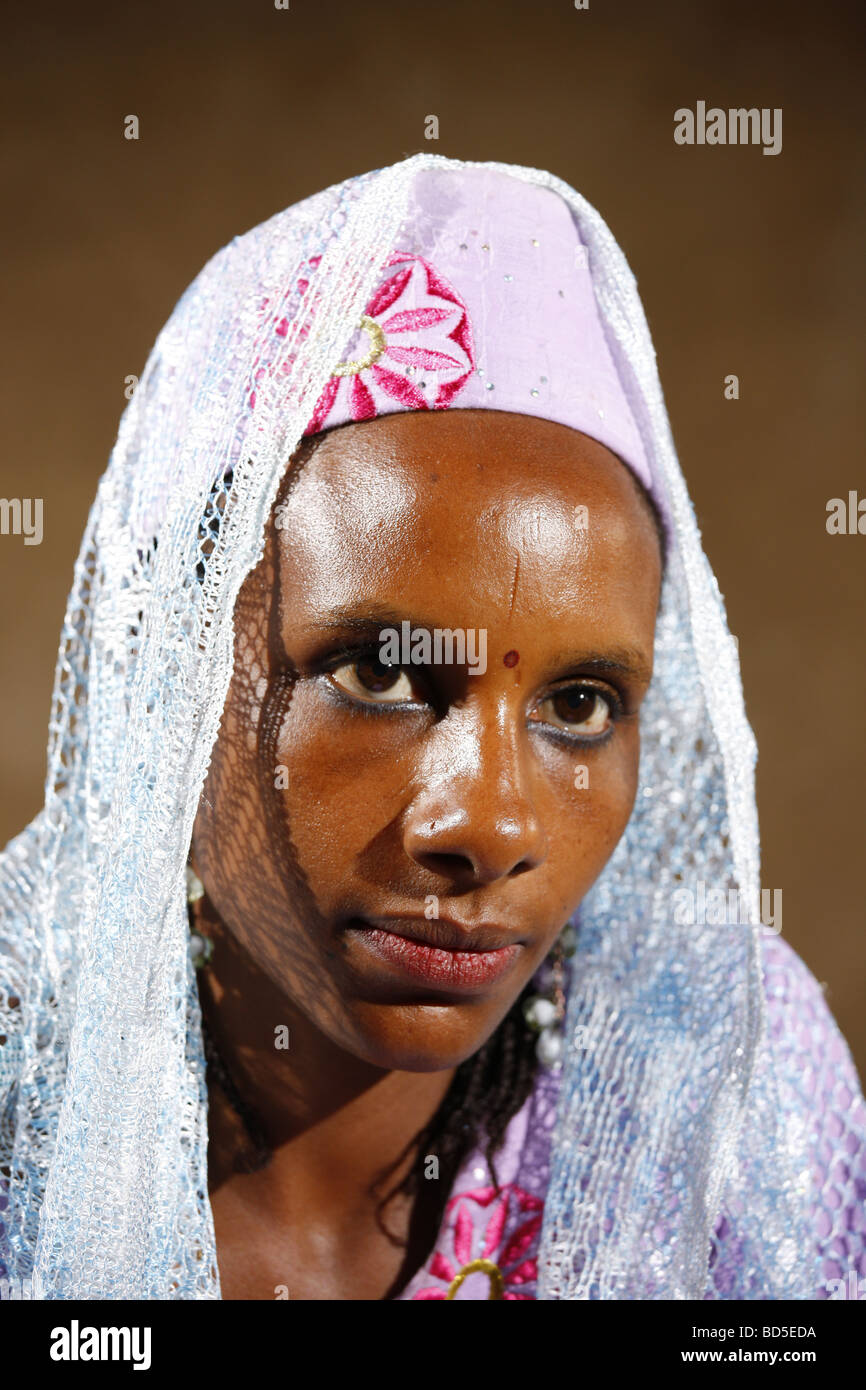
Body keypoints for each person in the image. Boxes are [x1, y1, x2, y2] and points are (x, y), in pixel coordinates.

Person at [0, 155, 862, 1301]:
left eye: (578, 704)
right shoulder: (27, 1095)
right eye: (383, 674)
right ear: (170, 672)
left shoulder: (720, 1096)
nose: (491, 824)